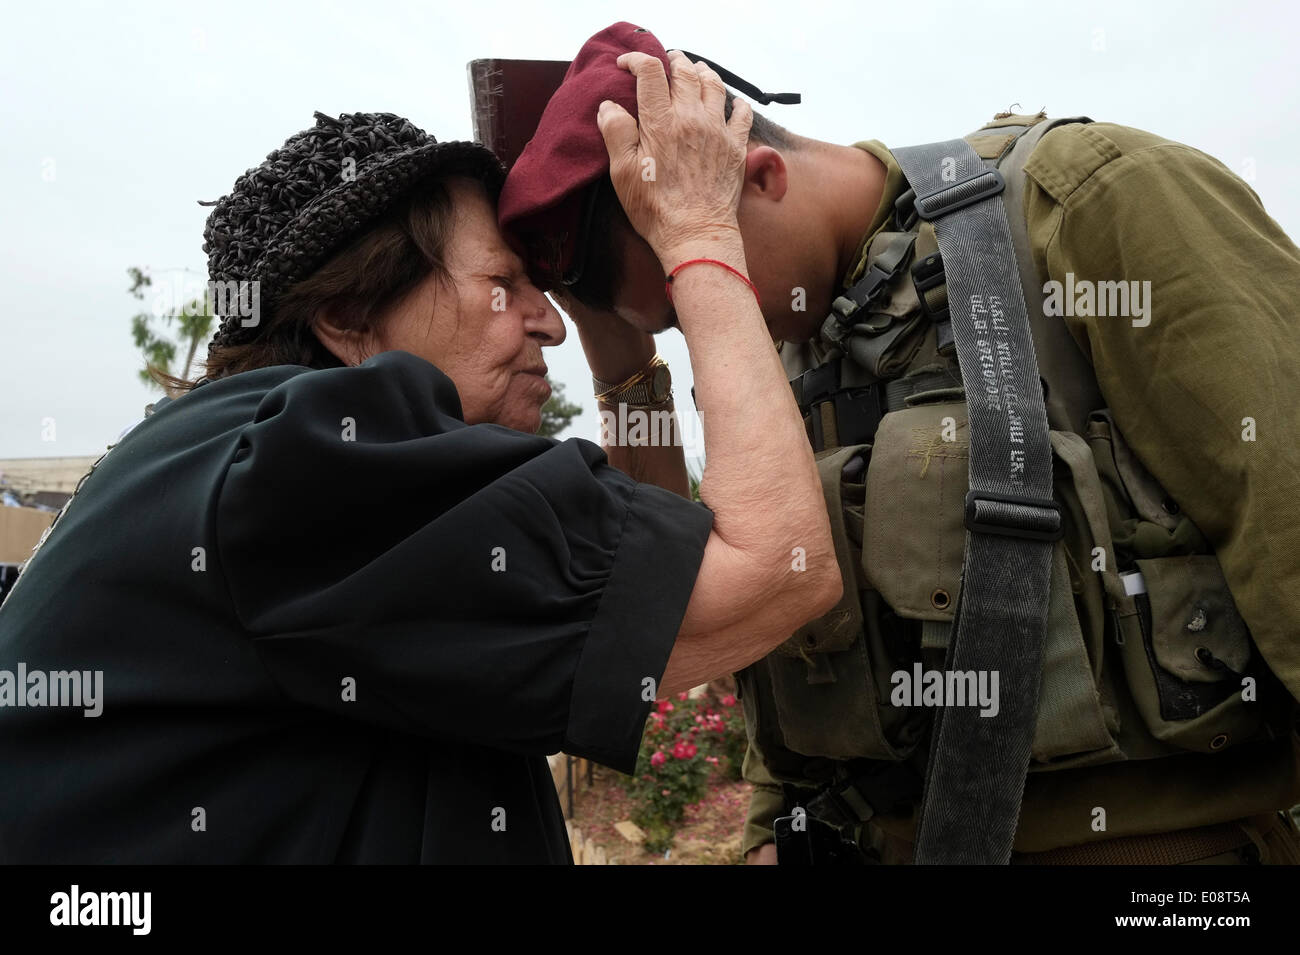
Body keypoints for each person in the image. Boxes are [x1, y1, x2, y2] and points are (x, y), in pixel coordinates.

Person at [498, 21, 1300, 864]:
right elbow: (750, 639)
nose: (709, 330)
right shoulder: (781, 350)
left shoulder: (1086, 202)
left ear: (760, 176)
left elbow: (1280, 509)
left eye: (699, 289)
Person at [0, 90, 841, 862]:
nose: (547, 321)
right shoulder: (303, 468)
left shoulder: (231, 453)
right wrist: (699, 234)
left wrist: (618, 348)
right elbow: (772, 568)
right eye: (504, 285)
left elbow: (661, 595)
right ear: (350, 317)